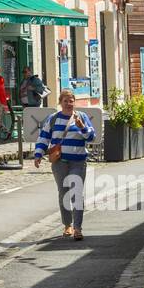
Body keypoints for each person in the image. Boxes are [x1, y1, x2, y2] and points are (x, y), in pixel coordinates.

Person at [33, 89, 96, 241]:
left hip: (78, 161)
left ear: (74, 102)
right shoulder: (53, 119)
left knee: (76, 194)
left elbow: (91, 137)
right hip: (59, 162)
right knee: (63, 193)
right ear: (60, 103)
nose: (68, 103)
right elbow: (44, 137)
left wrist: (82, 127)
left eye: (71, 100)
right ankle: (67, 224)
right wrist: (38, 154)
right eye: (65, 101)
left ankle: (78, 228)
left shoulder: (82, 117)